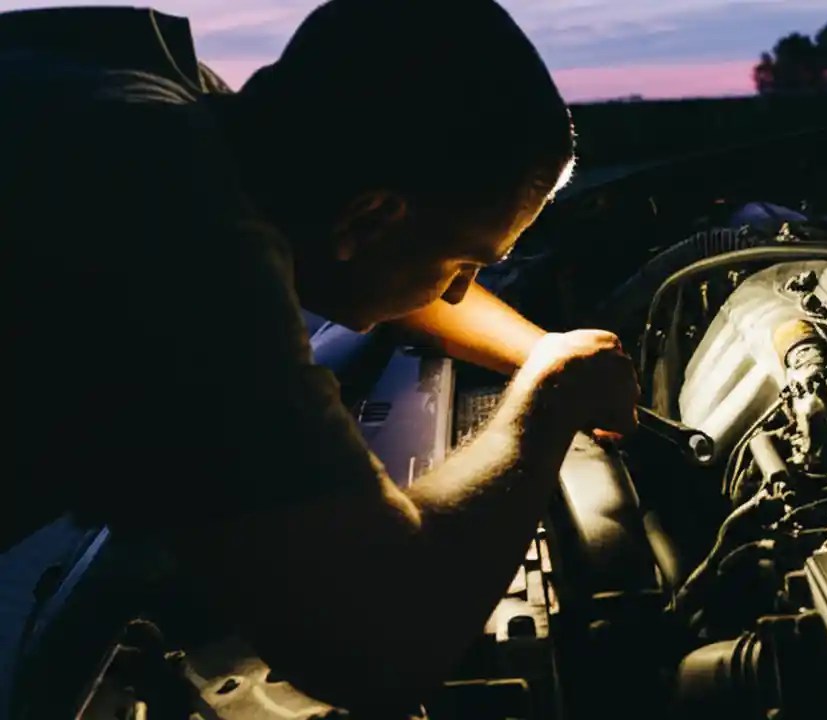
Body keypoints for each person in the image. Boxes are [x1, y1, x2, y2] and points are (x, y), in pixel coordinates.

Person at [0, 0, 638, 713]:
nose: (462, 292)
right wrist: (544, 405)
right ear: (368, 217)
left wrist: (541, 350)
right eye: (465, 262)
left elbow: (390, 270)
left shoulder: (170, 111)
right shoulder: (176, 243)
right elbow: (379, 645)